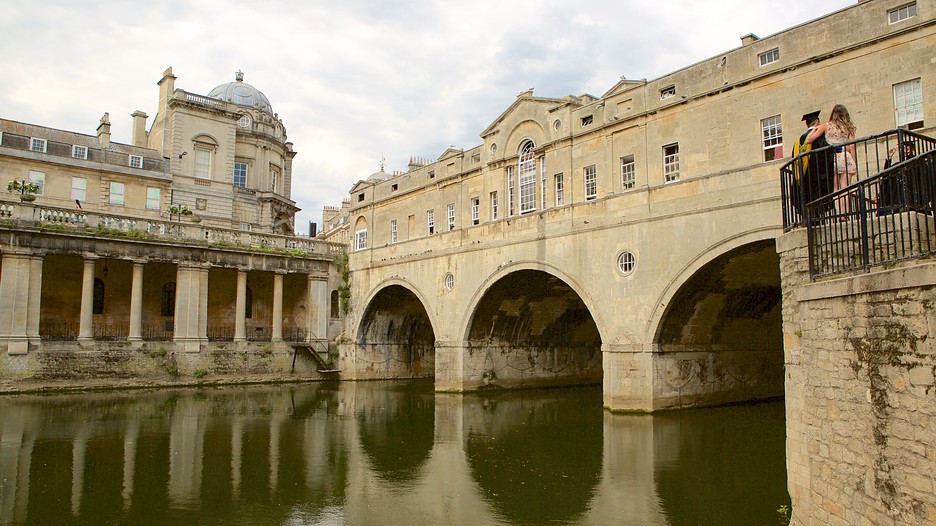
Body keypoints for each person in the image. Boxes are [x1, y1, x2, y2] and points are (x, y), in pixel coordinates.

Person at [807, 104, 857, 216]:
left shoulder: (826, 125)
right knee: (846, 188)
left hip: (832, 158)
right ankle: (847, 213)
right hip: (846, 156)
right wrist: (854, 161)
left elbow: (809, 140)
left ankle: (840, 213)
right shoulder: (849, 128)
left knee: (836, 188)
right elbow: (852, 146)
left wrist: (815, 129)